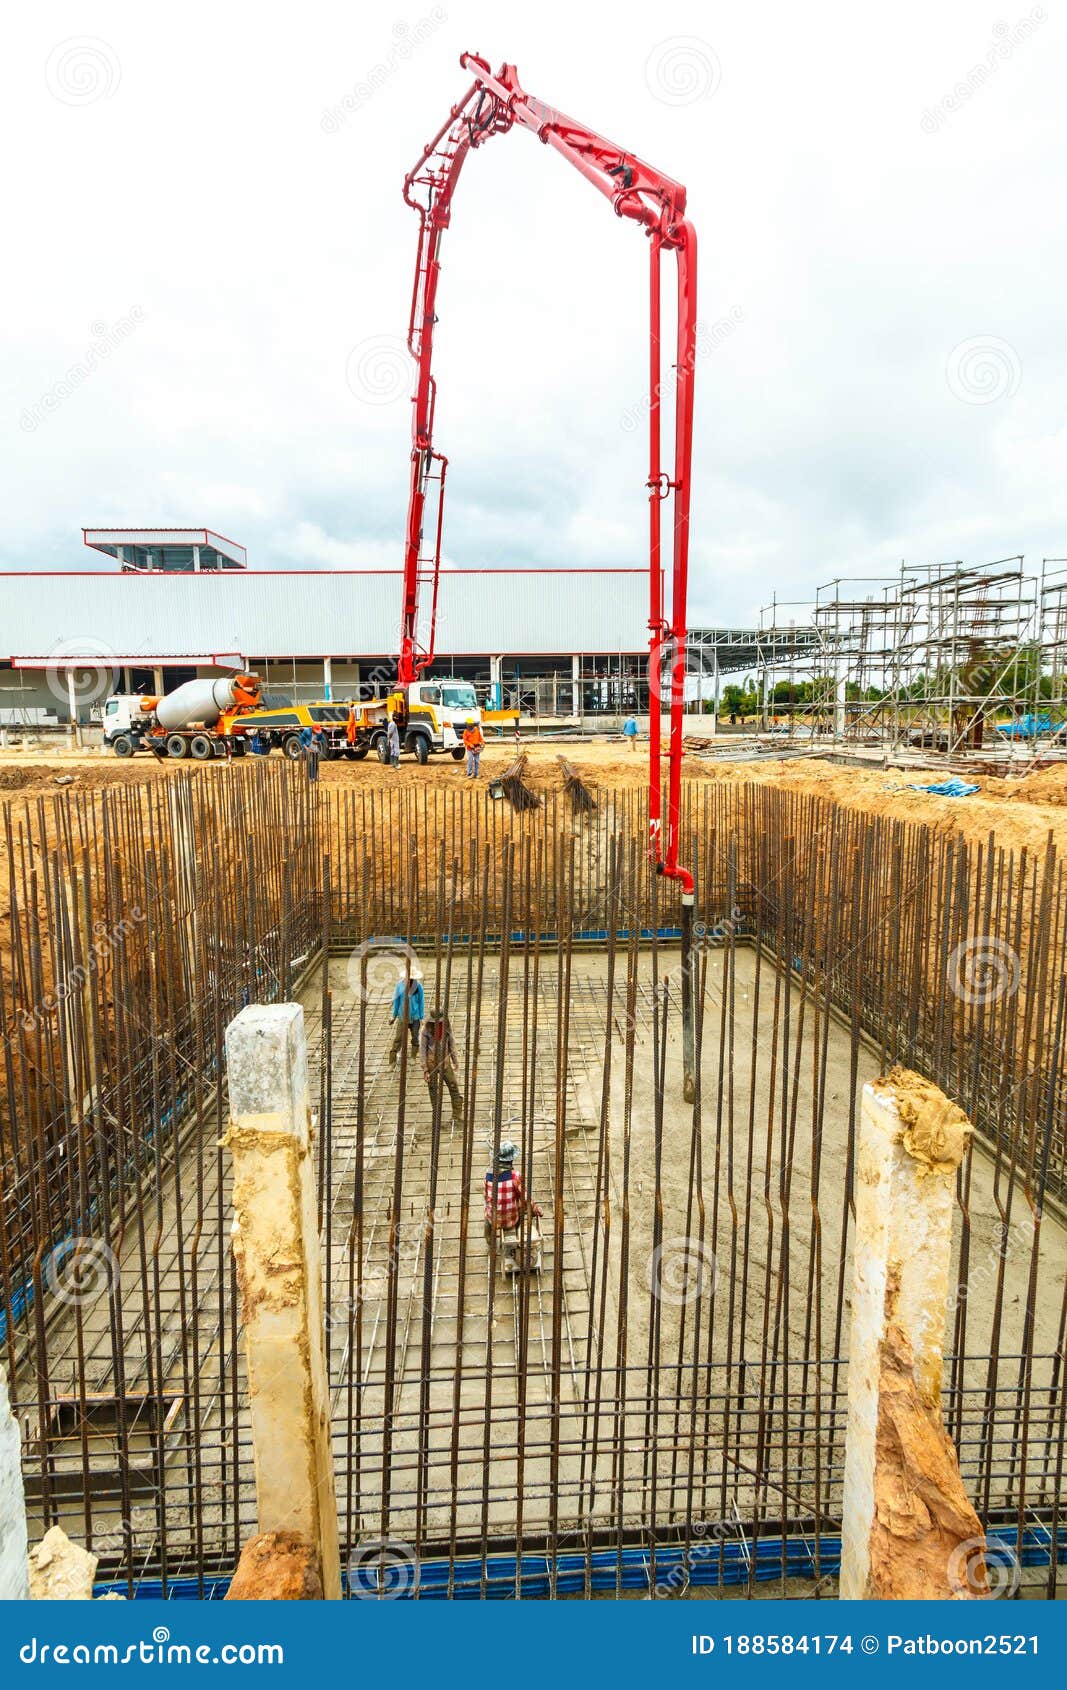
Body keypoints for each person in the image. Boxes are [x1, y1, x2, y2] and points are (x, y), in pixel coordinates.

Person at [484, 1140, 542, 1240]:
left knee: (487, 1206)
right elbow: (525, 1198)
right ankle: (517, 1230)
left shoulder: (488, 1175)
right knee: (520, 1201)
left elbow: (486, 1196)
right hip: (511, 1220)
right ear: (511, 1160)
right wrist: (535, 1209)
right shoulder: (515, 1175)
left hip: (493, 1219)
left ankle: (488, 1236)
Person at [419, 1005, 463, 1124]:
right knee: (433, 1089)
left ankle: (457, 1114)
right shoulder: (425, 1030)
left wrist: (455, 1061)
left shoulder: (446, 1027)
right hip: (431, 1062)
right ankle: (436, 1114)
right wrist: (425, 1069)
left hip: (445, 1061)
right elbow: (422, 1050)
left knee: (453, 1085)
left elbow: (451, 1044)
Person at [388, 972, 424, 1067]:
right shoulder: (399, 986)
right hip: (402, 1016)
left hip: (415, 1017)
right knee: (398, 1038)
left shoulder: (418, 986)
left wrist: (421, 1017)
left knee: (415, 1038)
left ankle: (413, 1057)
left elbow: (421, 1002)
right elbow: (396, 1001)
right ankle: (392, 1061)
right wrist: (394, 1016)